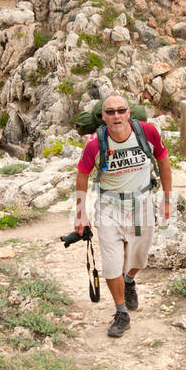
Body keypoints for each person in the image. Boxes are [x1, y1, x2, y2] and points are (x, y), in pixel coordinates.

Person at [73, 94, 173, 337]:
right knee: (110, 265)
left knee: (139, 259)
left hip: (142, 204)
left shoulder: (147, 133)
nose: (116, 116)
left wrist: (168, 199)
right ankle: (121, 312)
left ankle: (129, 280)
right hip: (109, 208)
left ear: (129, 112)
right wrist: (80, 214)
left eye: (120, 110)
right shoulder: (95, 145)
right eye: (110, 112)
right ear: (103, 117)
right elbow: (82, 175)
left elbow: (163, 160)